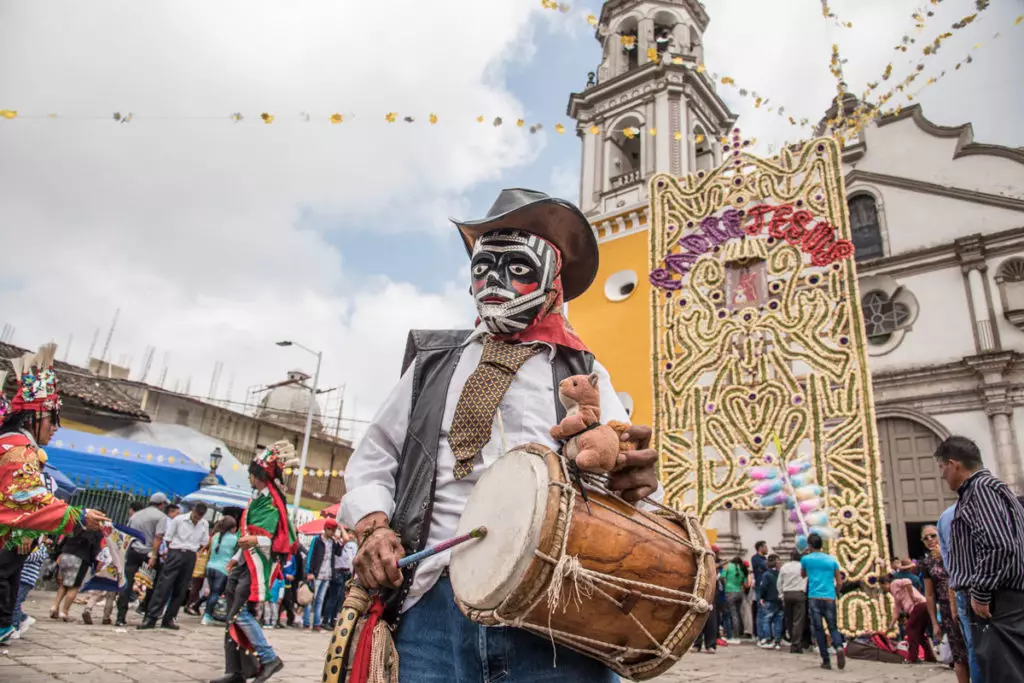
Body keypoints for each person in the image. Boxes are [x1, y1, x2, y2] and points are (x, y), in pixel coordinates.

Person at [342, 189, 661, 682]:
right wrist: (374, 527)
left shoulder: (584, 371)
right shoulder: (433, 364)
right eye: (483, 266)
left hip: (553, 610)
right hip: (431, 604)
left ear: (552, 279)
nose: (494, 281)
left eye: (516, 267)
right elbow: (374, 456)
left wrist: (630, 474)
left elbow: (624, 471)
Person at [0, 348, 108, 644]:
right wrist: (79, 517)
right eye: (52, 419)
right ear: (34, 417)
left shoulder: (16, 445)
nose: (57, 427)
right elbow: (28, 501)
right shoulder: (17, 449)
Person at [936, 435, 1024, 683]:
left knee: (1004, 670)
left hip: (996, 602)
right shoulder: (987, 489)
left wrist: (981, 593)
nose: (942, 476)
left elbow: (999, 544)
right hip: (998, 599)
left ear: (954, 464)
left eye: (942, 468)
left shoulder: (981, 489)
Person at [210, 441, 297, 683]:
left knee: (239, 612)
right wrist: (237, 557)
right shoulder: (256, 499)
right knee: (231, 612)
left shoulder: (270, 503)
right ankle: (237, 671)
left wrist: (252, 542)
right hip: (245, 562)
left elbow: (273, 541)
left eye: (251, 472)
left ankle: (269, 658)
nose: (249, 476)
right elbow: (245, 535)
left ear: (258, 475)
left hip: (258, 564)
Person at [140, 501, 209, 630]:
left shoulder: (204, 524)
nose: (196, 519)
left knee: (181, 589)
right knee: (164, 585)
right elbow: (168, 538)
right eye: (195, 516)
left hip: (191, 555)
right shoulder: (179, 520)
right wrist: (173, 552)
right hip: (176, 551)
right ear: (192, 511)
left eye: (199, 517)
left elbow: (203, 542)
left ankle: (169, 618)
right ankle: (152, 617)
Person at [918, 524, 968, 682]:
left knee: (976, 650)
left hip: (966, 606)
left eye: (933, 535)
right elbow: (930, 595)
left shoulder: (954, 553)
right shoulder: (927, 564)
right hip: (948, 612)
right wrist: (935, 623)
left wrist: (945, 558)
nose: (930, 540)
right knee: (959, 655)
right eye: (926, 538)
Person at [116, 492, 169, 626]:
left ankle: (120, 617)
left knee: (127, 583)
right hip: (149, 554)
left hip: (133, 551)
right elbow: (158, 537)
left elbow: (127, 534)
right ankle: (147, 615)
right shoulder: (161, 517)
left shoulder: (136, 515)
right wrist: (155, 555)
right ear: (161, 504)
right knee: (152, 585)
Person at [801, 533, 846, 670]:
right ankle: (838, 646)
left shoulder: (806, 559)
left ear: (809, 545)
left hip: (814, 596)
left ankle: (826, 660)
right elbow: (839, 581)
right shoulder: (832, 560)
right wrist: (836, 592)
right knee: (833, 626)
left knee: (819, 629)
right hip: (829, 597)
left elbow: (803, 575)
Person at [51, 514, 104, 621]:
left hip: (66, 554)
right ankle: (64, 612)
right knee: (74, 587)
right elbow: (96, 548)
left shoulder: (77, 523)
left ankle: (54, 607)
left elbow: (65, 538)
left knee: (63, 584)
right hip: (80, 559)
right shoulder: (97, 530)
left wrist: (58, 554)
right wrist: (96, 563)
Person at [883, 575, 936, 663]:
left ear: (885, 583)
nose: (884, 590)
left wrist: (912, 596)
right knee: (919, 634)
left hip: (918, 605)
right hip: (923, 606)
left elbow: (907, 581)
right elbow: (897, 610)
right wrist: (891, 625)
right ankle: (929, 657)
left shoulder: (894, 583)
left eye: (883, 587)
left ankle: (912, 658)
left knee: (910, 630)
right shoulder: (896, 594)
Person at [303, 518, 341, 631]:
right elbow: (311, 555)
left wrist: (339, 541)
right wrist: (309, 571)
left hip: (327, 574)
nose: (333, 533)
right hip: (316, 573)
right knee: (311, 598)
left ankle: (316, 623)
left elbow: (338, 553)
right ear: (326, 529)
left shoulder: (333, 542)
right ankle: (306, 622)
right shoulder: (317, 540)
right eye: (332, 530)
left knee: (320, 600)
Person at [199, 517, 238, 626]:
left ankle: (207, 614)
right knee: (216, 593)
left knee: (212, 592)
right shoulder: (234, 539)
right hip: (223, 569)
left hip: (210, 567)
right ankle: (207, 615)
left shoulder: (215, 536)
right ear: (232, 528)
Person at [10, 539, 50, 638]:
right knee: (12, 601)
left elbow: (28, 557)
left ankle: (15, 629)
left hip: (26, 580)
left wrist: (17, 553)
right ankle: (24, 619)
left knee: (15, 601)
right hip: (17, 577)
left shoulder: (41, 548)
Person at [322, 525, 356, 629]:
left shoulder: (353, 545)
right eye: (348, 533)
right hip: (337, 571)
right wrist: (341, 526)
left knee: (340, 599)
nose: (350, 536)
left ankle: (333, 620)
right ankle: (326, 620)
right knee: (333, 597)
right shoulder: (338, 542)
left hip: (346, 572)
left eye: (352, 533)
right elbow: (345, 539)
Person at [694, 545, 723, 654]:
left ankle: (710, 645)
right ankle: (697, 644)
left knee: (711, 620)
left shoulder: (716, 566)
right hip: (700, 592)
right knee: (698, 618)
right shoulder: (700, 563)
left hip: (712, 594)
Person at [778, 549, 807, 653]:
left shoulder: (784, 567)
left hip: (787, 594)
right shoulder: (802, 567)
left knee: (789, 619)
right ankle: (796, 644)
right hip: (799, 593)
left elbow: (779, 582)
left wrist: (781, 594)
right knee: (798, 620)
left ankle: (792, 639)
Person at [757, 554, 783, 649]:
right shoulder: (780, 573)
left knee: (766, 620)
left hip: (769, 599)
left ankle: (768, 638)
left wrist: (761, 597)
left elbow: (763, 587)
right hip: (779, 599)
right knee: (778, 621)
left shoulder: (766, 574)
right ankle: (777, 640)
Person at [721, 556, 749, 643]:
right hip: (739, 593)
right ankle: (738, 634)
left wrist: (726, 585)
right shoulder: (742, 568)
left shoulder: (727, 566)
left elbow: (722, 577)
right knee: (737, 614)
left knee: (731, 615)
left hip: (729, 592)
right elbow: (746, 584)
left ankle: (733, 636)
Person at [750, 540, 769, 642]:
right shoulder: (755, 558)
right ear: (760, 548)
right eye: (765, 547)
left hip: (766, 587)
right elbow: (766, 567)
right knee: (761, 611)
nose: (767, 549)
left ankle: (765, 634)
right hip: (759, 588)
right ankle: (760, 635)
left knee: (765, 611)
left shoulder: (764, 559)